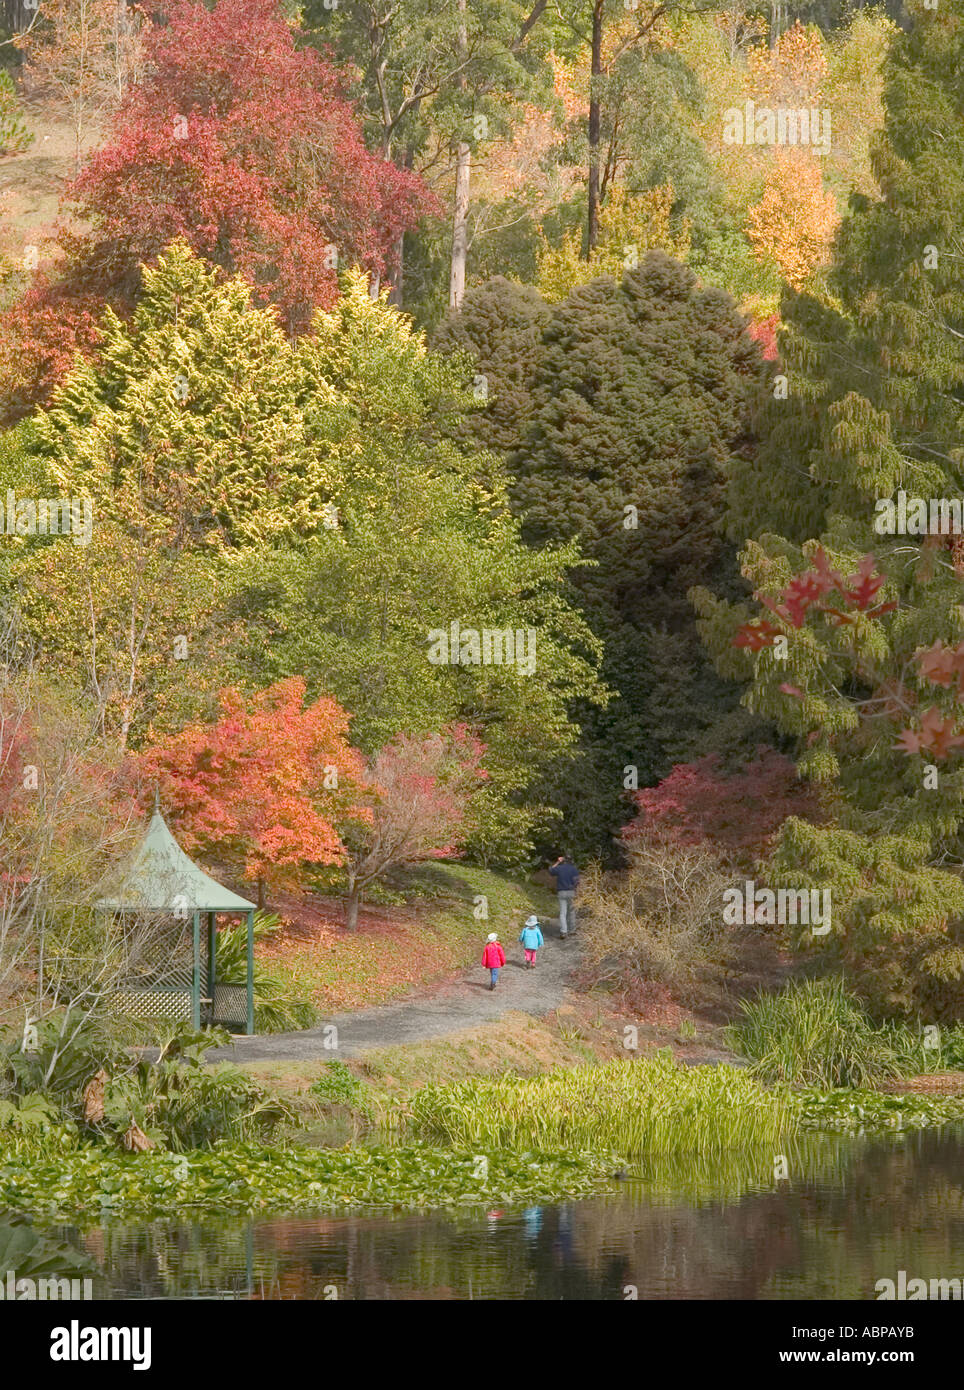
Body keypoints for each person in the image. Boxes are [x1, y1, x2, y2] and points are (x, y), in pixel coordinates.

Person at [549, 853, 579, 937]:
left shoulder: (559, 868)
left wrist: (558, 862)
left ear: (564, 860)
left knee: (563, 912)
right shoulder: (574, 869)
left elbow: (551, 870)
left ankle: (564, 931)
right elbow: (577, 881)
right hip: (571, 892)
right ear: (572, 861)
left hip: (561, 892)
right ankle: (572, 930)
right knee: (572, 912)